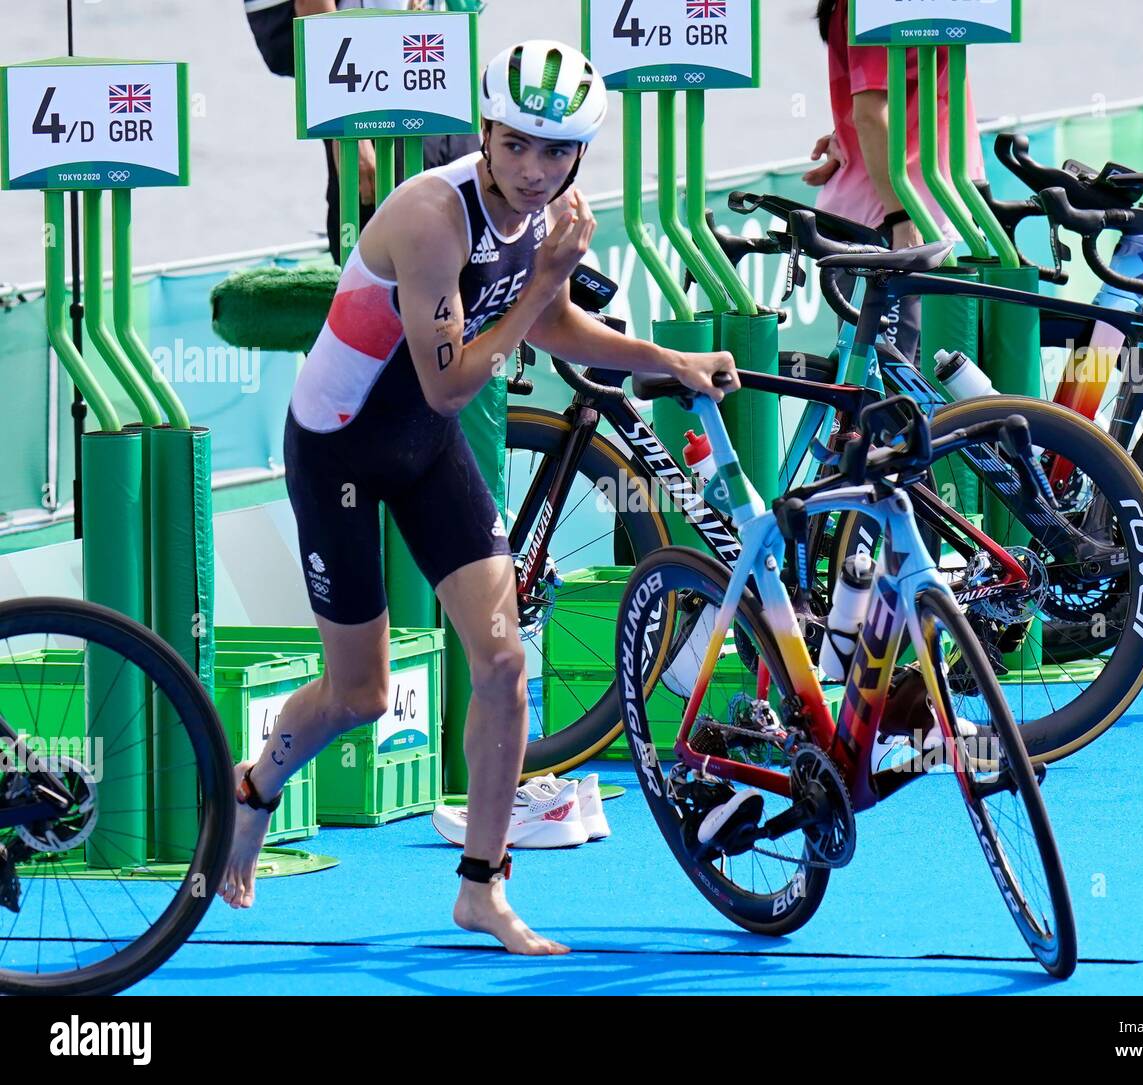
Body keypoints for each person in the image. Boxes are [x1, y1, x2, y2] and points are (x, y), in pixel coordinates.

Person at [217, 40, 739, 956]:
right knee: (361, 694)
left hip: (424, 451)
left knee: (503, 665)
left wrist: (670, 361)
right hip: (340, 449)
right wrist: (541, 277)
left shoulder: (548, 212)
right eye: (519, 146)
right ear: (488, 134)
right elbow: (452, 381)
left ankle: (482, 887)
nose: (537, 171)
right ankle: (252, 787)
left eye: (558, 151)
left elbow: (556, 325)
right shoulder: (430, 217)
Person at [803, 0, 986, 363]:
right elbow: (870, 113)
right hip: (899, 225)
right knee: (899, 396)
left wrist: (847, 134)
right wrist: (900, 217)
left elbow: (881, 107)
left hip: (918, 214)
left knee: (918, 392)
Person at [293, 0, 479, 263]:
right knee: (380, 262)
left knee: (468, 237)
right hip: (373, 96)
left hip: (445, 82)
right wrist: (346, 126)